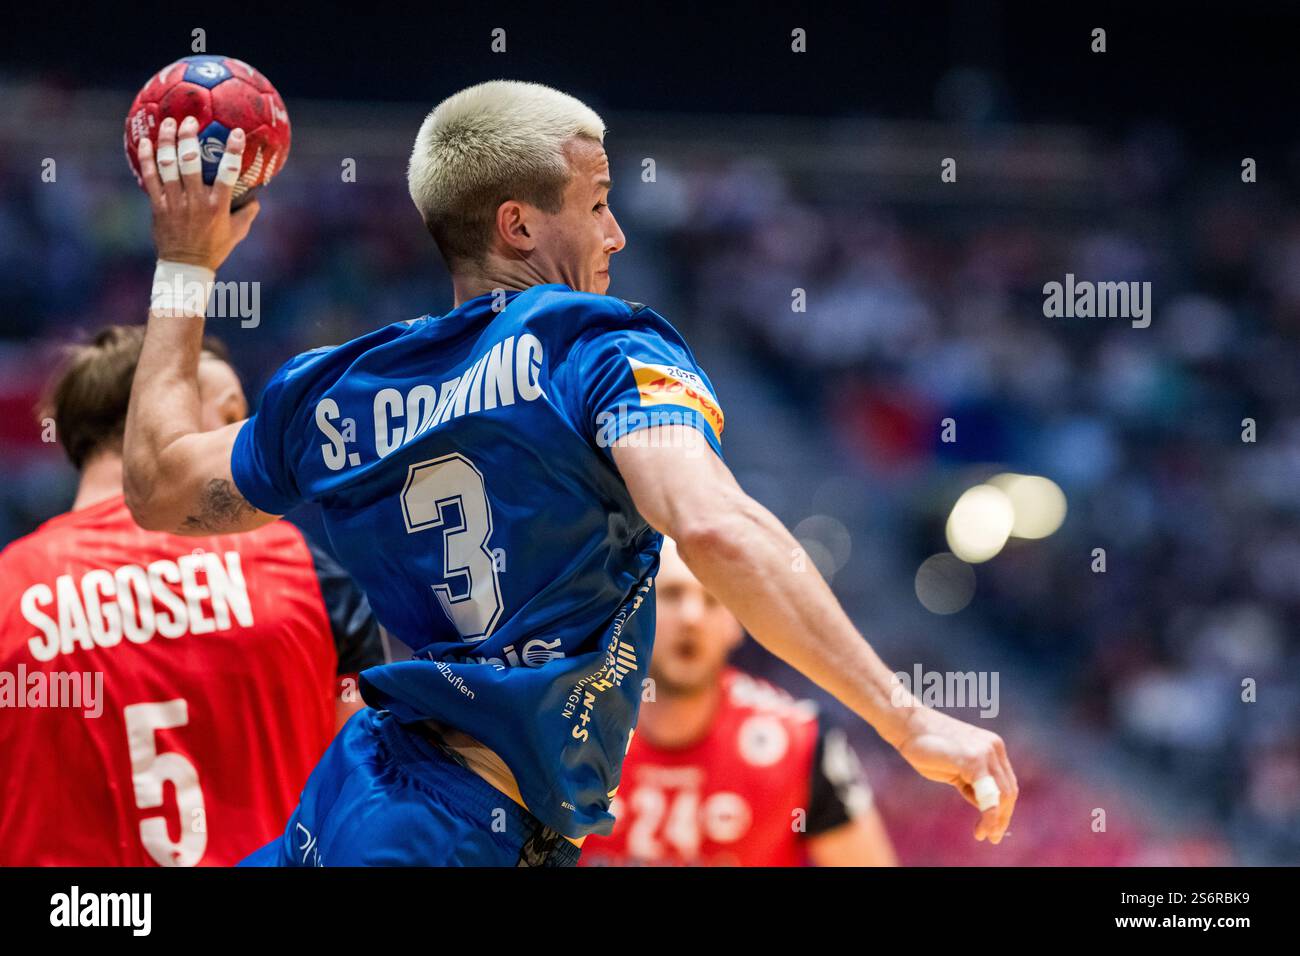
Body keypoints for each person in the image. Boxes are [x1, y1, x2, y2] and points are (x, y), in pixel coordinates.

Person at [122, 80, 1017, 867]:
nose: (618, 233)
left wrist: (185, 263)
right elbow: (711, 525)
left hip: (356, 795)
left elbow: (158, 482)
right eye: (597, 204)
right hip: (466, 831)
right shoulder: (593, 345)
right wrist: (908, 717)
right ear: (518, 224)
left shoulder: (335, 390)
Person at [0, 325, 389, 865]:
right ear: (160, 423)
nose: (242, 441)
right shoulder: (300, 568)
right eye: (230, 418)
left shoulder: (9, 593)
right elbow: (367, 789)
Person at [581, 537, 897, 866]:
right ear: (633, 616)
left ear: (737, 622)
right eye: (672, 595)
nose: (692, 617)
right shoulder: (571, 730)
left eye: (712, 600)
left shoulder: (802, 743)